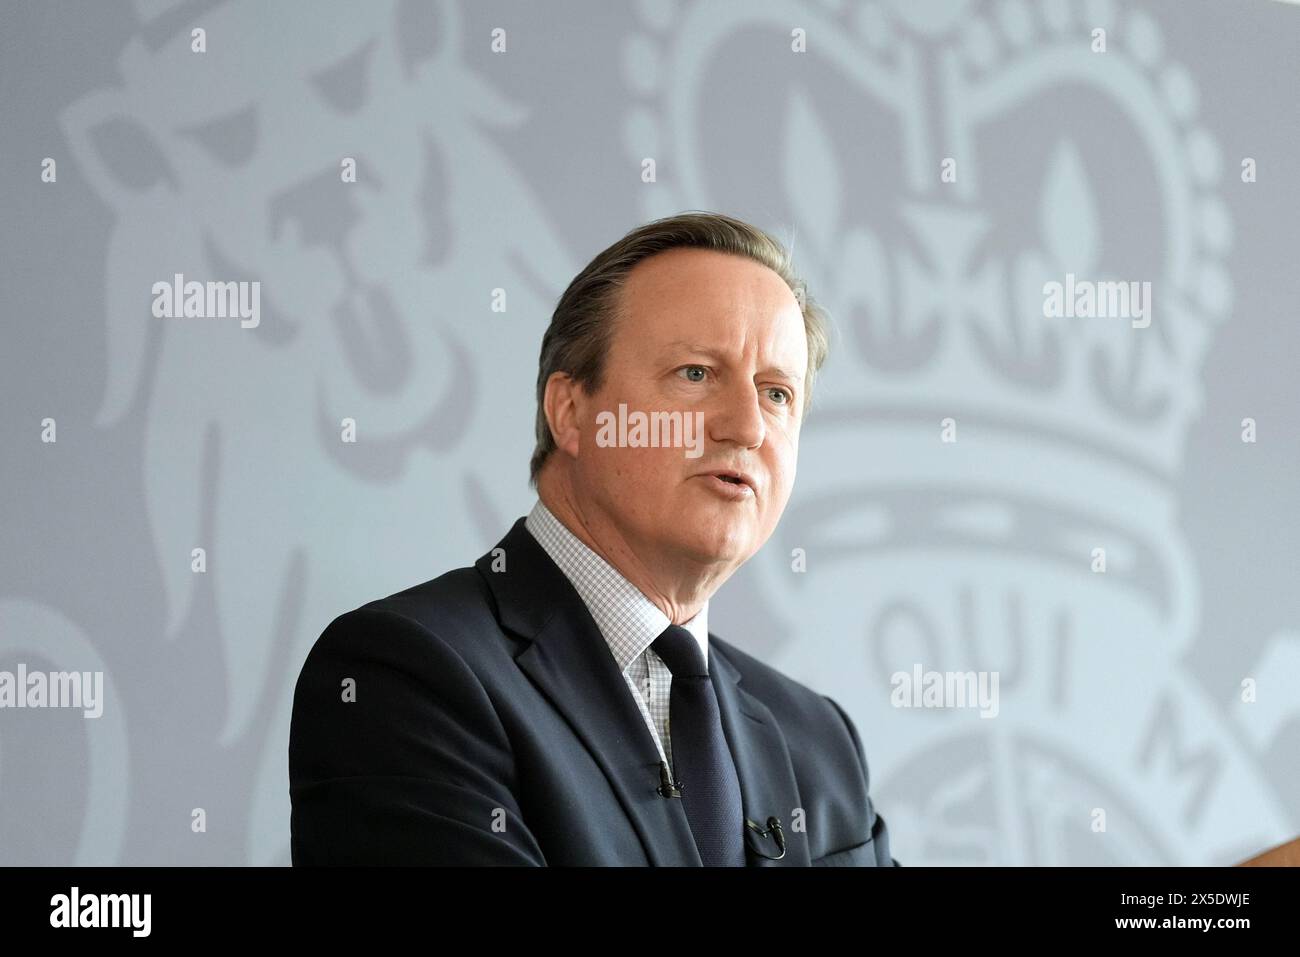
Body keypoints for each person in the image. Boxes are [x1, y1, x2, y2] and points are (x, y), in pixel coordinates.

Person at [289, 211, 898, 866]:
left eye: (777, 393)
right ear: (572, 412)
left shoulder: (821, 744)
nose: (747, 426)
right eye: (696, 373)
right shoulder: (405, 675)